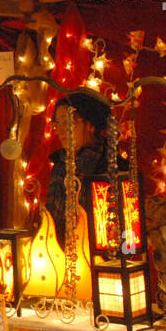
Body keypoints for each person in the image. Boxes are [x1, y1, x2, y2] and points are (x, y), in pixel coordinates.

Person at [45, 91, 115, 245]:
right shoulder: (59, 165)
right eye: (57, 123)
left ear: (91, 125)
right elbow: (52, 219)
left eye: (68, 122)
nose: (61, 130)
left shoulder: (111, 166)